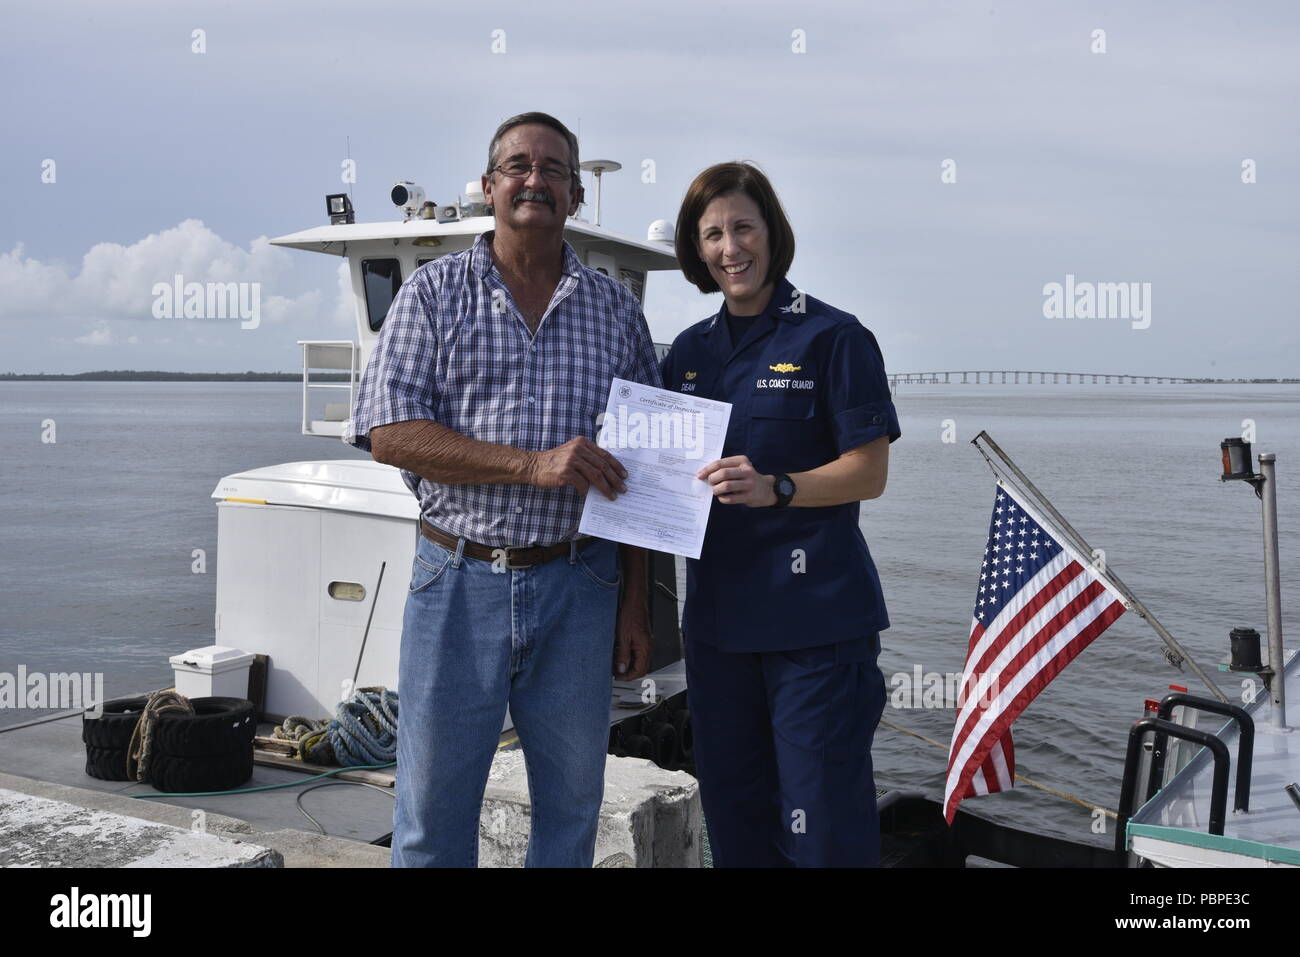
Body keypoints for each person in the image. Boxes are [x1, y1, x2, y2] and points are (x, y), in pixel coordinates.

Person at [346, 112, 660, 867]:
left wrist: (636, 603)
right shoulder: (431, 293)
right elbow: (389, 432)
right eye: (517, 166)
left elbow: (642, 474)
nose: (535, 180)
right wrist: (532, 464)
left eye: (553, 169)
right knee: (430, 812)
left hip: (579, 583)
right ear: (490, 188)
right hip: (457, 579)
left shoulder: (617, 311)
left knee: (572, 808)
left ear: (575, 195)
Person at [660, 161, 900, 867]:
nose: (730, 248)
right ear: (697, 250)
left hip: (815, 632)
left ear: (771, 233)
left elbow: (871, 470)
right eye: (713, 234)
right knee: (735, 825)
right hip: (717, 632)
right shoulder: (687, 355)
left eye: (743, 227)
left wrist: (779, 487)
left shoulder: (834, 337)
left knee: (822, 833)